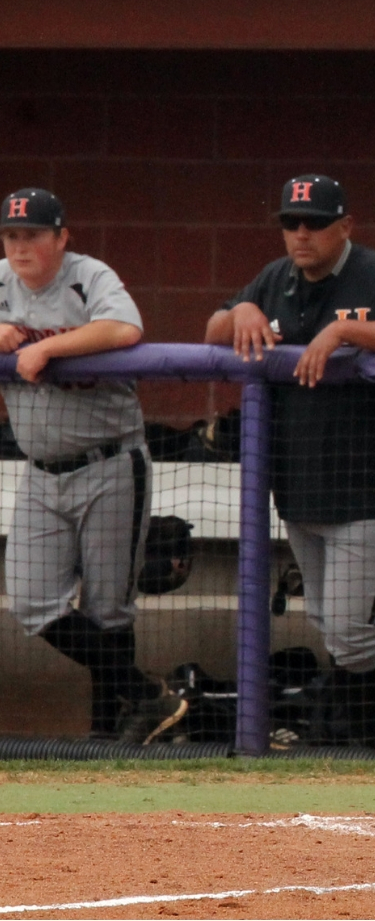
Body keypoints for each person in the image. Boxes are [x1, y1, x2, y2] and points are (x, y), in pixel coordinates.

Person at [204, 174, 375, 747]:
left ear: (345, 226)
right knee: (332, 628)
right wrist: (239, 310)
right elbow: (212, 329)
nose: (301, 233)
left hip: (373, 489)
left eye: (314, 222)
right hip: (301, 487)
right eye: (291, 222)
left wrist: (344, 330)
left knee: (349, 629)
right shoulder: (273, 279)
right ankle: (361, 746)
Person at [0, 188, 179, 743]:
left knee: (108, 609)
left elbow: (125, 329)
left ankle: (110, 735)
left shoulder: (87, 275)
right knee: (32, 602)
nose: (21, 246)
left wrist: (49, 348)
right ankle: (149, 697)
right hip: (41, 470)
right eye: (12, 235)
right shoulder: (1, 279)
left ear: (61, 238)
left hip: (109, 463)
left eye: (33, 235)